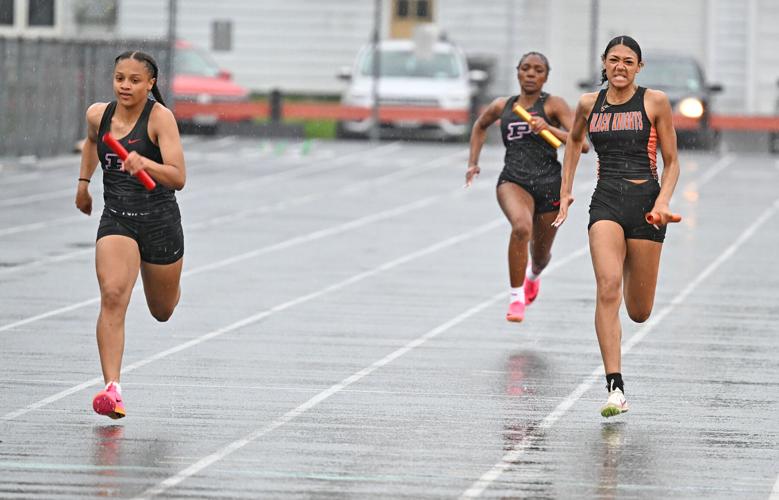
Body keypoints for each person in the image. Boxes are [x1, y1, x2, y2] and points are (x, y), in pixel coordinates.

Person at [552, 35, 680, 417]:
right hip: (606, 202)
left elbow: (672, 162)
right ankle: (615, 387)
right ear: (604, 65)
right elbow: (574, 143)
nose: (620, 67)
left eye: (628, 61)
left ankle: (630, 258)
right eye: (614, 60)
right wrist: (566, 192)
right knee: (607, 285)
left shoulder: (654, 102)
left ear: (639, 67)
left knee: (638, 311)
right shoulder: (589, 104)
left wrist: (661, 202)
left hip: (645, 207)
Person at [75, 51, 186, 419]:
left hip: (159, 222)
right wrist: (83, 183)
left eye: (135, 80)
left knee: (162, 310)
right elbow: (93, 141)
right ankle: (113, 389)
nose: (125, 85)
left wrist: (146, 162)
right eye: (120, 78)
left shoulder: (160, 119)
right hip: (117, 219)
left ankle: (167, 286)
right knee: (112, 295)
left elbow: (178, 177)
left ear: (150, 83)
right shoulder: (98, 114)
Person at [466, 52, 587, 323]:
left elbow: (582, 143)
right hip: (513, 180)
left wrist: (549, 128)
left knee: (541, 255)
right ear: (517, 72)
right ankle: (515, 297)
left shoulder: (554, 105)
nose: (531, 74)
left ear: (546, 76)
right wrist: (473, 162)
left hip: (549, 184)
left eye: (538, 70)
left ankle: (533, 275)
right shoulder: (503, 106)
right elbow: (480, 125)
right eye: (526, 68)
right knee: (521, 227)